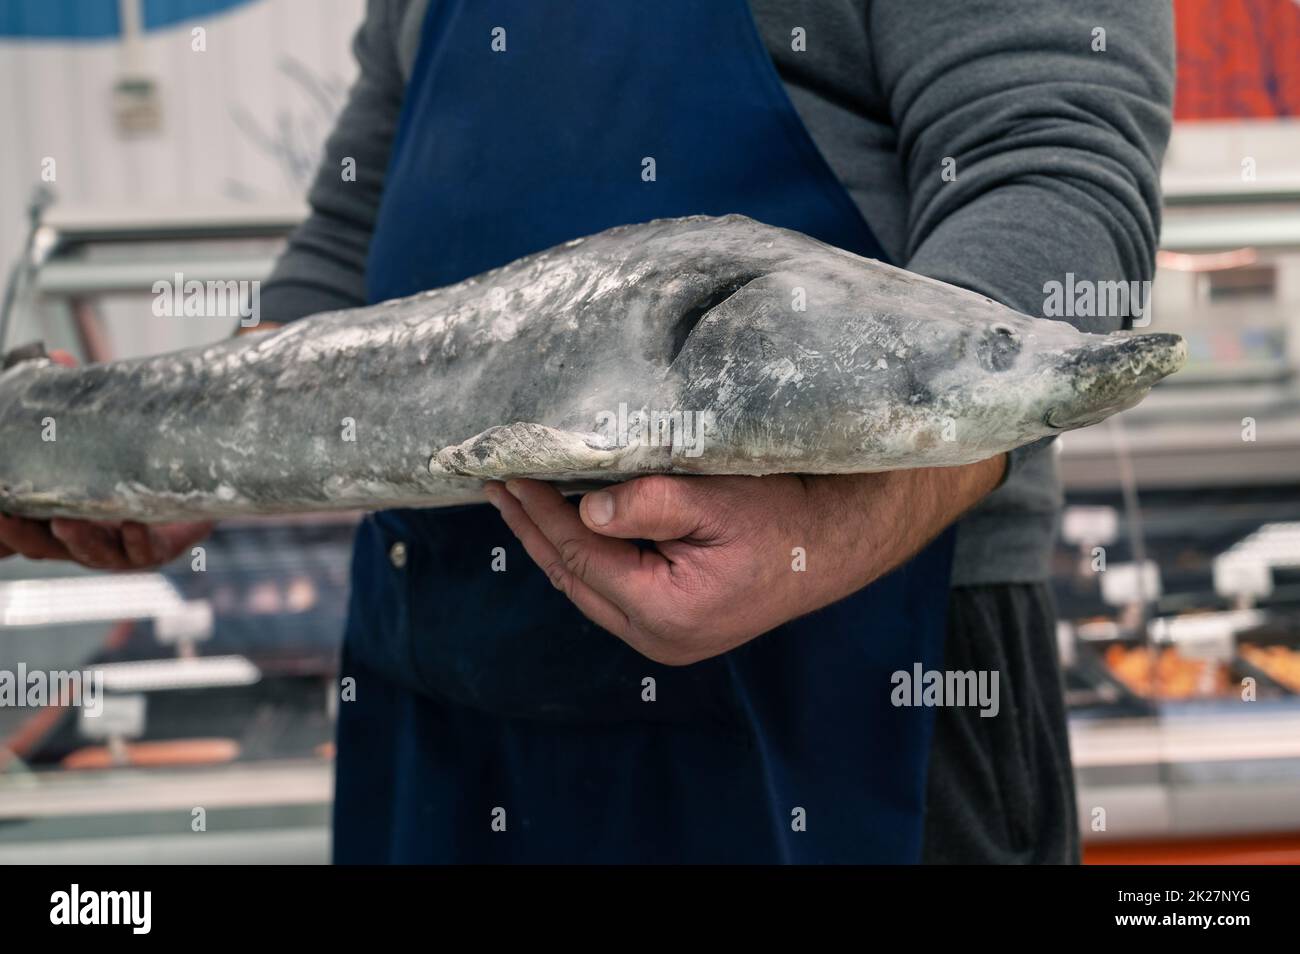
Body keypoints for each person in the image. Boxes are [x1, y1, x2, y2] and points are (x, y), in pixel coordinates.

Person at [0, 0, 1174, 863]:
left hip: (840, 684)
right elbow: (353, 232)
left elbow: (1051, 166)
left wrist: (847, 516)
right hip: (443, 694)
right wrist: (180, 459)